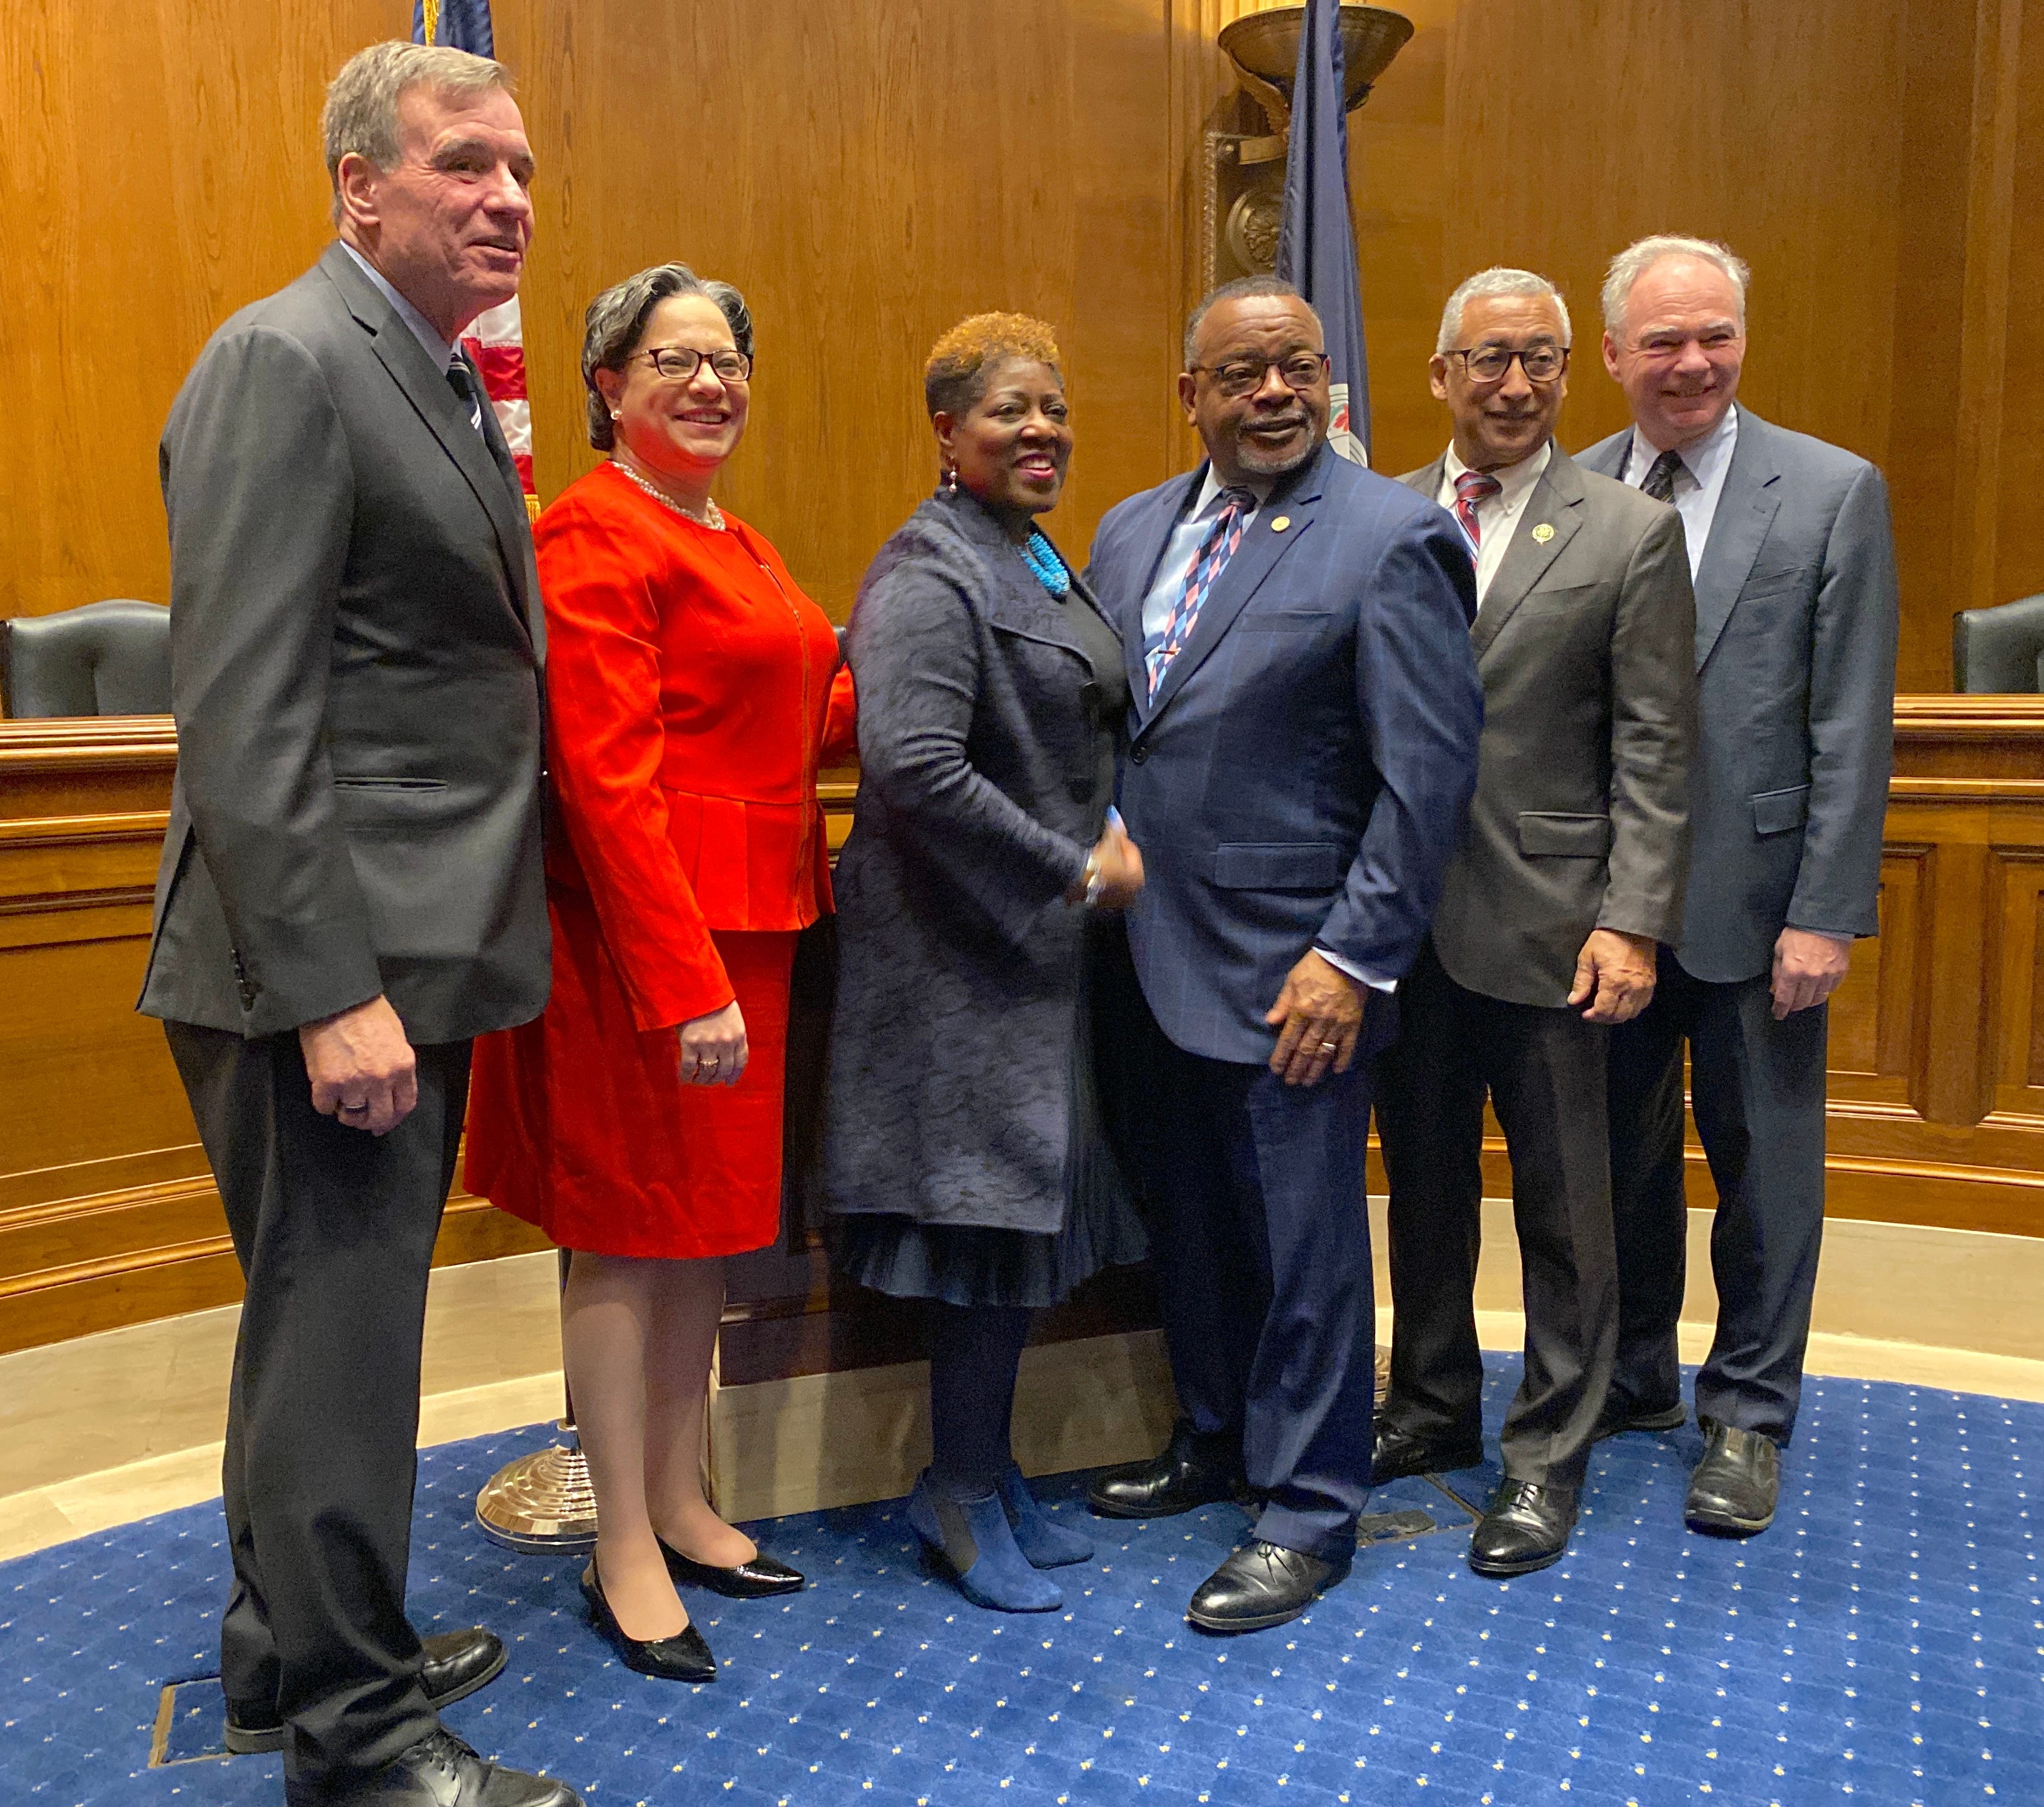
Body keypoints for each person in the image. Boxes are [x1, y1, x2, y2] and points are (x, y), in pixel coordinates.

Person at [139, 41, 578, 1807]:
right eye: (464, 165)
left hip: (399, 949)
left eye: (522, 169)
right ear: (359, 186)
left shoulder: (431, 373)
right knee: (343, 1347)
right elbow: (244, 720)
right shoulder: (286, 359)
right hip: (318, 970)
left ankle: (288, 1660)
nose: (507, 199)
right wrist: (332, 993)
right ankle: (362, 1739)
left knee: (311, 1333)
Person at [466, 264, 853, 1677]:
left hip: (752, 930)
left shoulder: (731, 535)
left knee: (707, 1234)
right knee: (628, 1240)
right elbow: (607, 782)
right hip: (646, 950)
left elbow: (806, 700)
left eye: (727, 359)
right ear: (607, 387)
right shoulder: (591, 532)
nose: (709, 381)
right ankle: (619, 1533)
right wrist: (679, 977)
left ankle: (684, 1495)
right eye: (673, 358)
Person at [1083, 276, 1483, 1634]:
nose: (1273, 395)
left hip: (1294, 966)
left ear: (1331, 384)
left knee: (1305, 1242)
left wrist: (1354, 959)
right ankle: (1216, 1435)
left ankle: (1312, 1501)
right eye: (1242, 373)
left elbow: (1425, 780)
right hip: (1138, 956)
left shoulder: (1391, 537)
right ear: (1188, 394)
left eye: (1297, 369)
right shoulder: (1131, 529)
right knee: (1188, 1221)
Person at [1374, 268, 1696, 1577]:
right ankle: (1434, 1398)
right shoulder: (1376, 513)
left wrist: (1633, 920)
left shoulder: (1626, 531)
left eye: (1541, 360)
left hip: (1559, 925)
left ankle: (1548, 1449)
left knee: (1572, 1204)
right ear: (1442, 374)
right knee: (1426, 1186)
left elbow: (1659, 749)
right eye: (1489, 360)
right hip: (1403, 922)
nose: (1515, 384)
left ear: (1570, 373)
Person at [822, 313, 1146, 1615]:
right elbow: (912, 767)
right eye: (1010, 410)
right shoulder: (926, 569)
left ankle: (985, 1465)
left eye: (1055, 408)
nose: (1040, 430)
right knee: (979, 1230)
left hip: (1031, 966)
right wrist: (1069, 865)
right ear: (947, 432)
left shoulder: (1033, 554)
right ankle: (952, 1486)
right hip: (960, 966)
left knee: (1017, 1225)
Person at [1579, 235, 1898, 1536]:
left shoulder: (1830, 490)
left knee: (1765, 1171)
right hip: (1603, 913)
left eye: (1715, 335)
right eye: (1663, 341)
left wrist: (1826, 908)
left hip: (1763, 904)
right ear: (1613, 357)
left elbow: (1853, 723)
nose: (1693, 362)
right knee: (1615, 1162)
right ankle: (1638, 1376)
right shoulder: (1575, 487)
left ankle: (1750, 1413)